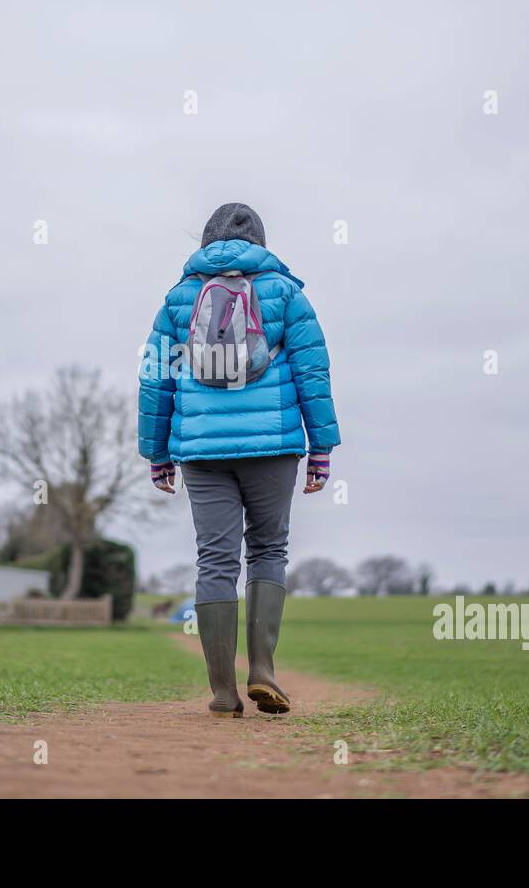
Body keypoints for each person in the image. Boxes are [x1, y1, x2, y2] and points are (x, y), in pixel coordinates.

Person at [138, 202, 340, 717]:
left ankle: (223, 691)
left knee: (215, 559)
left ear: (204, 243)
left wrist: (157, 453)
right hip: (273, 444)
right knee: (269, 549)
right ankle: (264, 671)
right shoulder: (287, 294)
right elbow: (313, 374)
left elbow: (155, 379)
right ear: (261, 244)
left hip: (202, 450)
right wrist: (321, 449)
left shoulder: (179, 299)